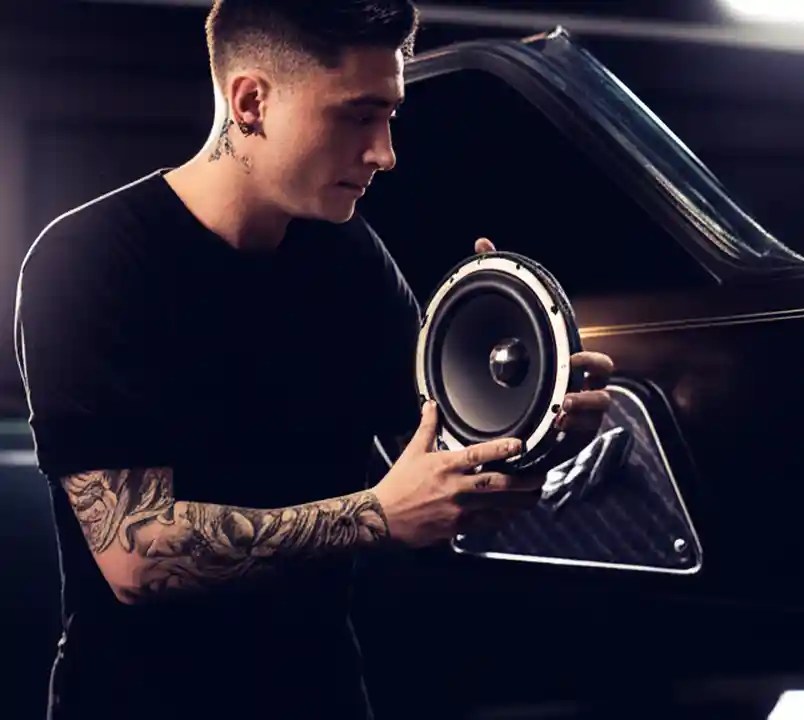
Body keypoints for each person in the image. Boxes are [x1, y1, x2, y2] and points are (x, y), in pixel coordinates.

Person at [12, 1, 614, 718]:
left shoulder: (349, 258)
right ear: (251, 101)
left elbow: (434, 458)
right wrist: (374, 517)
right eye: (357, 115)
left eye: (389, 115)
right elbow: (138, 555)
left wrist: (531, 415)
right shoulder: (91, 259)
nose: (384, 152)